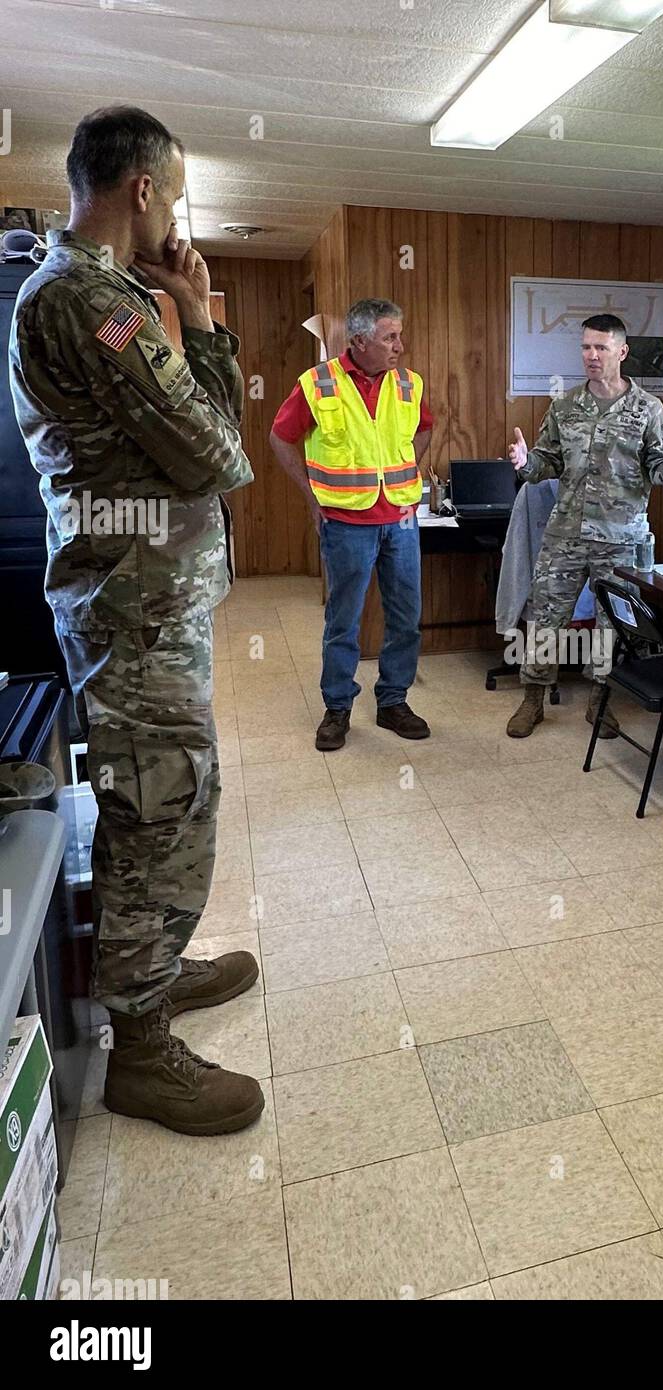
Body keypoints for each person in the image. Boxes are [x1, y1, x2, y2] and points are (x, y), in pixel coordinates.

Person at [8, 106, 263, 1135]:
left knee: (163, 797)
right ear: (143, 189)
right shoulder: (91, 304)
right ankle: (143, 1049)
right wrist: (191, 326)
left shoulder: (107, 297)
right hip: (132, 606)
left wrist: (192, 316)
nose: (177, 219)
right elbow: (218, 454)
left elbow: (209, 434)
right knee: (157, 806)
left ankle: (151, 970)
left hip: (149, 600)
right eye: (176, 196)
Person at [505, 313, 663, 738]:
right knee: (546, 617)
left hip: (621, 539)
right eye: (586, 347)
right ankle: (532, 699)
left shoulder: (647, 409)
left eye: (601, 348)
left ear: (622, 352)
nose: (591, 356)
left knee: (614, 625)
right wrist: (525, 462)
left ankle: (600, 701)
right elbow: (547, 462)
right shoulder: (565, 406)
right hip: (566, 534)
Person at [269, 299, 434, 749]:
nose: (400, 345)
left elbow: (425, 428)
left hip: (401, 519)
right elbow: (280, 439)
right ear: (359, 341)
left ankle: (393, 702)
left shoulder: (409, 383)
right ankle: (338, 708)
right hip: (345, 522)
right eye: (390, 337)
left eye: (399, 335)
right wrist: (311, 498)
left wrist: (408, 469)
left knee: (406, 618)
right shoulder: (318, 383)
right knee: (343, 621)